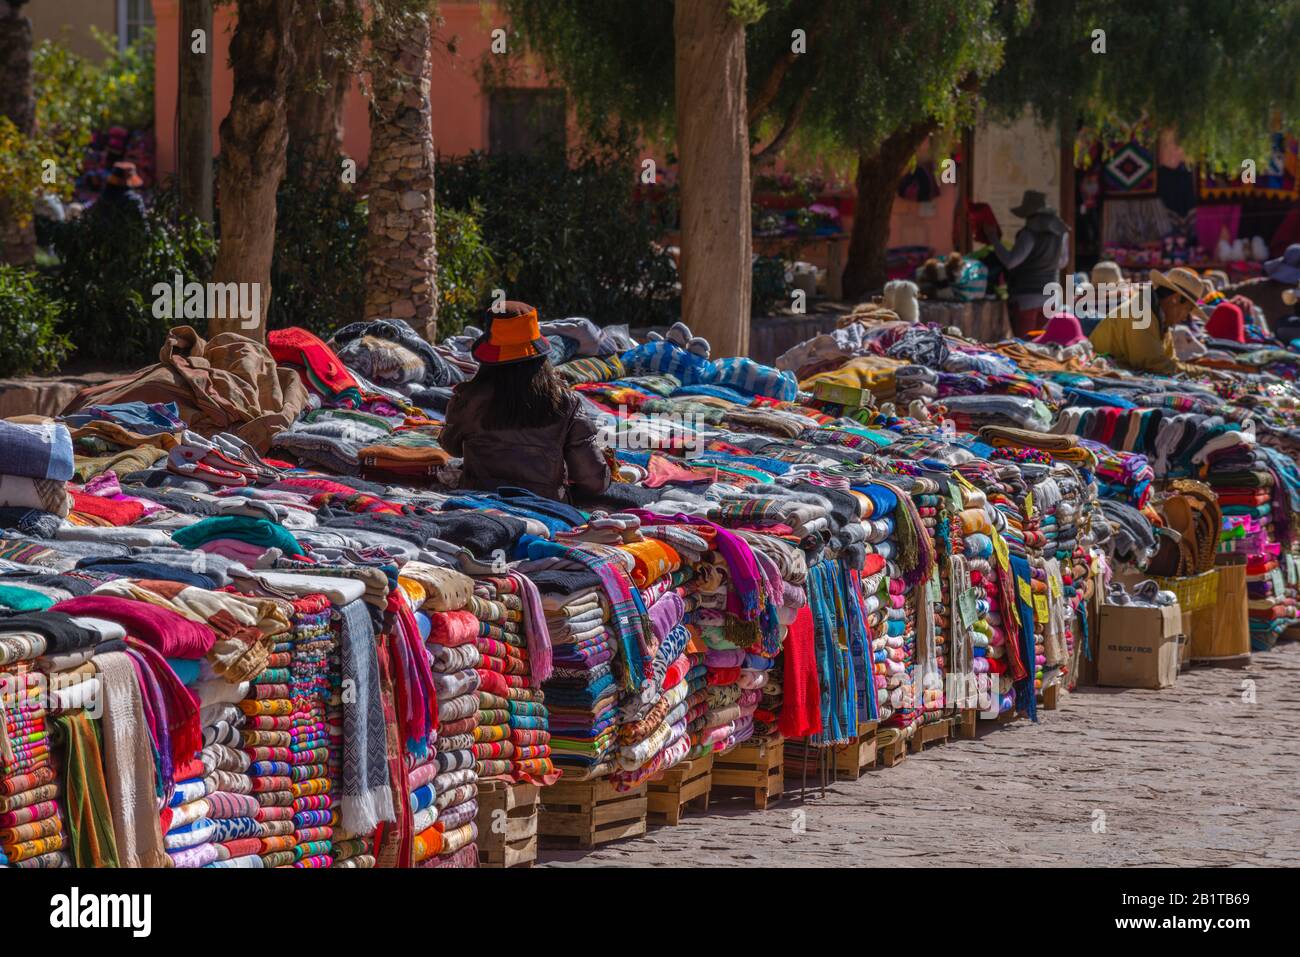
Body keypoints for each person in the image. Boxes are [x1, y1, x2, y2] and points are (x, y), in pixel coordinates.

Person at [440, 301, 610, 503]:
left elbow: (452, 447)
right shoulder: (565, 403)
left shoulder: (467, 397)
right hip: (544, 506)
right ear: (540, 357)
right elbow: (594, 481)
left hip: (479, 501)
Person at [985, 189, 1070, 338]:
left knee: (1025, 346)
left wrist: (993, 238)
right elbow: (1062, 262)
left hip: (1026, 296)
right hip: (1051, 294)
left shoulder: (1029, 234)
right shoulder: (1060, 235)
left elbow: (1011, 262)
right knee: (1043, 344)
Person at [1089, 267, 1205, 375]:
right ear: (1175, 299)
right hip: (1097, 372)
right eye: (1187, 310)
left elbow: (1170, 361)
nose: (1185, 317)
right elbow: (1155, 365)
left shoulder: (1159, 316)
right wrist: (1204, 372)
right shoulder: (1140, 312)